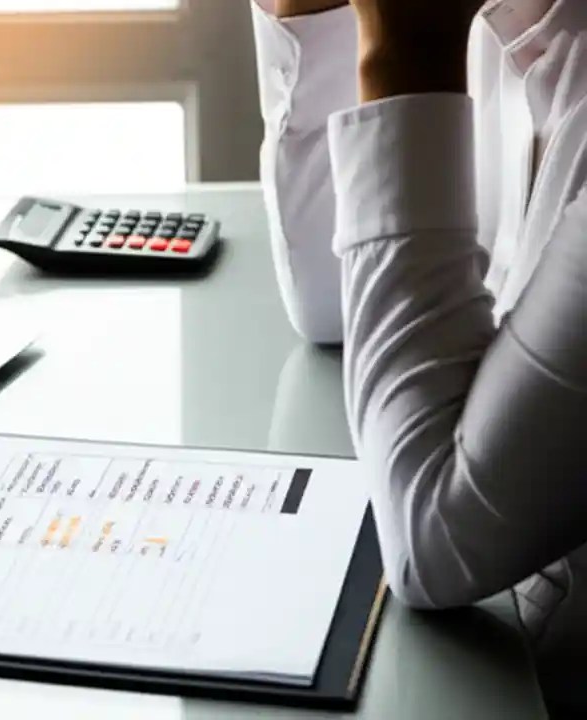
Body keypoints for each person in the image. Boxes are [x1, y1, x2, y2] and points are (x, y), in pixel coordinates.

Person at [250, 0, 587, 713]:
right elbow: (327, 300)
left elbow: (435, 540)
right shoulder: (513, 24)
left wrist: (405, 54)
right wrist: (328, 18)